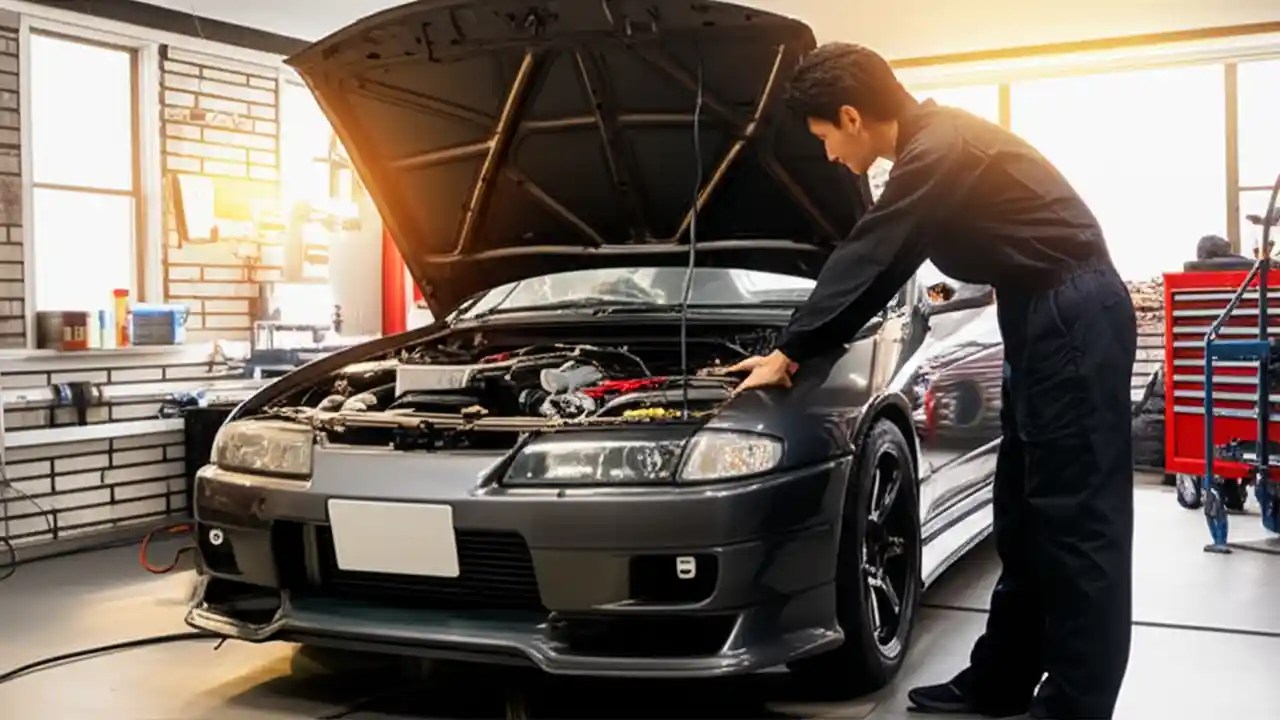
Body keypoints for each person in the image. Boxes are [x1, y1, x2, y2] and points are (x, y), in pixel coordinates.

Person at [724, 43, 1137, 719]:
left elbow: (878, 248)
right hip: (1040, 312)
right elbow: (888, 250)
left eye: (824, 138)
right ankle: (1002, 681)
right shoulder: (935, 147)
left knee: (1078, 524)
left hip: (1070, 312)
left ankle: (1076, 707)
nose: (829, 156)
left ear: (852, 116)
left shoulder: (939, 146)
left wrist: (793, 349)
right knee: (1023, 518)